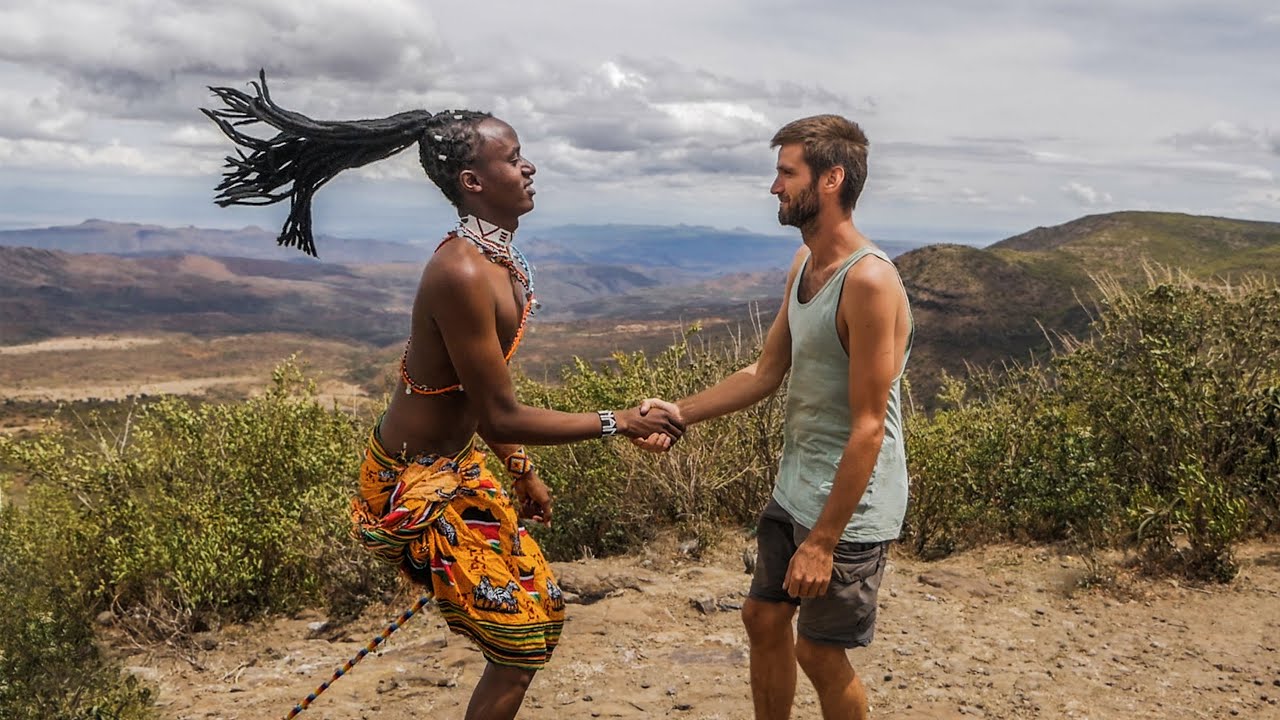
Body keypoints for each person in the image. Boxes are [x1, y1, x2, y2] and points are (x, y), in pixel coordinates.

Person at [203, 72, 684, 720]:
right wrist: (618, 421)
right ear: (473, 183)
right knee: (516, 645)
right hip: (408, 483)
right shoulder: (461, 272)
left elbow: (481, 403)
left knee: (542, 621)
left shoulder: (497, 263)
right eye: (514, 159)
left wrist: (519, 469)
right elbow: (500, 410)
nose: (529, 166)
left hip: (457, 472)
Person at [636, 114, 913, 720]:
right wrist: (678, 414)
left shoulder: (868, 281)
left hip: (849, 507)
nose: (774, 187)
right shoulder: (802, 264)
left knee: (818, 650)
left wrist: (823, 541)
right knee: (763, 618)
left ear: (831, 179)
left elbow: (870, 424)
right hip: (797, 487)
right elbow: (764, 374)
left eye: (786, 174)